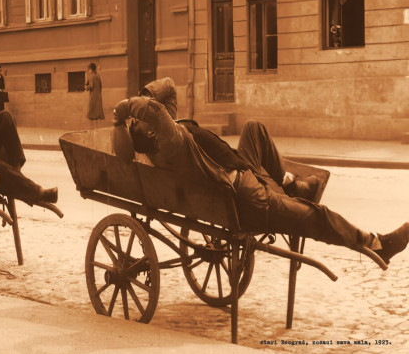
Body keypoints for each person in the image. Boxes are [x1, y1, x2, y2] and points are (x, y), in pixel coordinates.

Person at [112, 77, 409, 266]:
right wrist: (123, 109)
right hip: (247, 196)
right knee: (317, 217)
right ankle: (377, 244)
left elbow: (166, 93)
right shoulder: (170, 143)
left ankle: (291, 184)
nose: (139, 118)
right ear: (151, 133)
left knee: (253, 128)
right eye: (136, 123)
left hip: (239, 172)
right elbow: (154, 110)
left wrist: (139, 101)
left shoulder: (167, 135)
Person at [85, 62, 105, 129]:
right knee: (97, 114)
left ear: (91, 69)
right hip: (98, 96)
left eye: (89, 69)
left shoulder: (92, 76)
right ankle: (97, 129)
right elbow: (100, 86)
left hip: (93, 97)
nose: (88, 71)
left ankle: (91, 129)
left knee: (91, 113)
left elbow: (91, 86)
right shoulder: (98, 76)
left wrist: (86, 87)